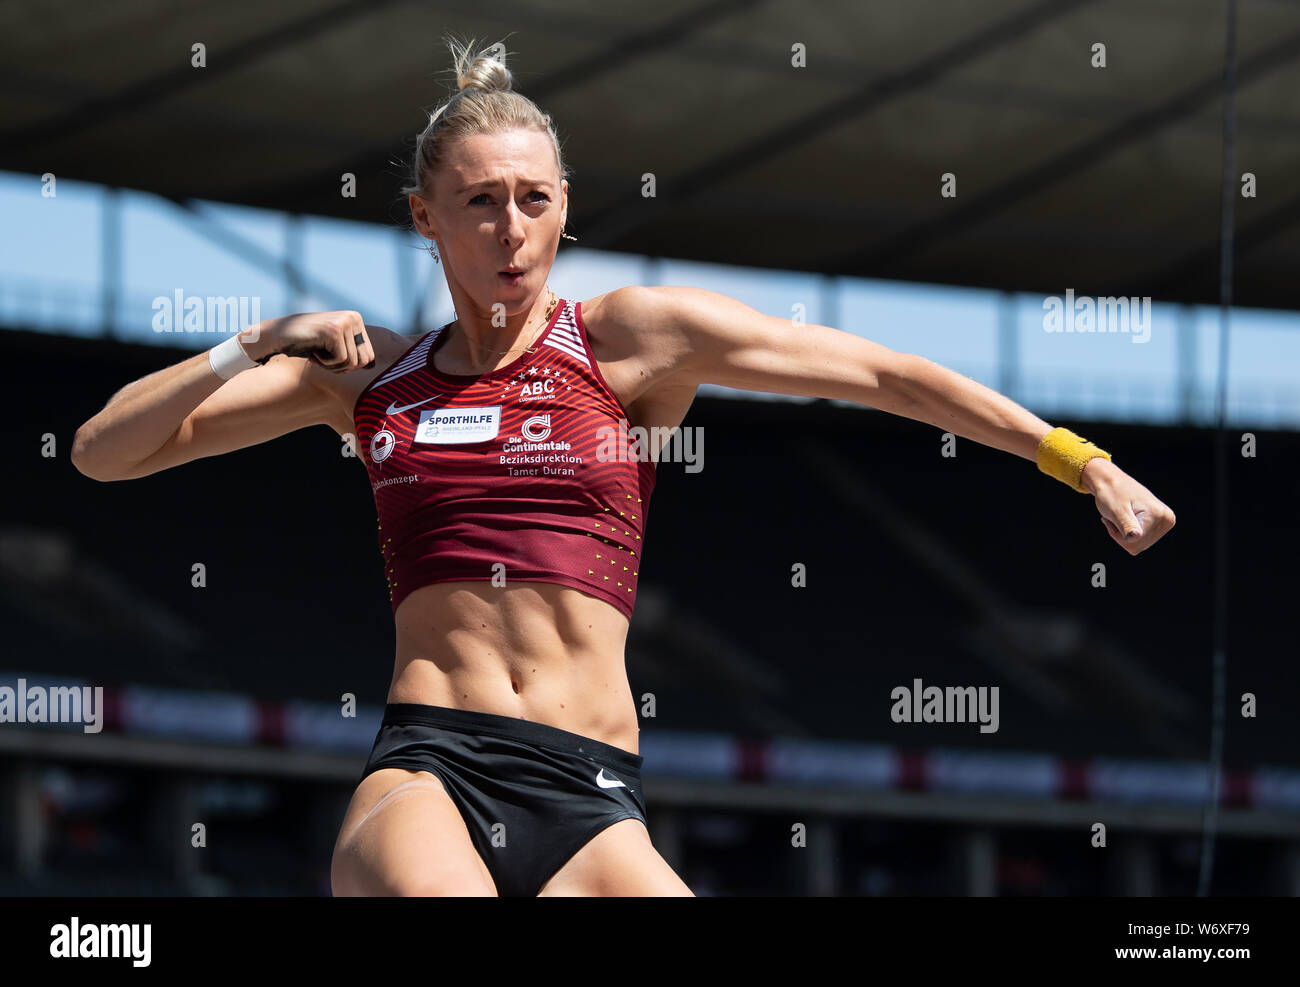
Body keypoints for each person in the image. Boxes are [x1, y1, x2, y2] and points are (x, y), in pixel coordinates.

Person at [70, 36, 1176, 897]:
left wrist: (1079, 461)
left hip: (589, 791)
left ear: (564, 212)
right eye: (480, 202)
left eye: (535, 200)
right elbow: (103, 455)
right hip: (430, 766)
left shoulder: (629, 340)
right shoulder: (366, 383)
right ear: (424, 218)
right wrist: (252, 343)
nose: (511, 228)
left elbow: (878, 376)